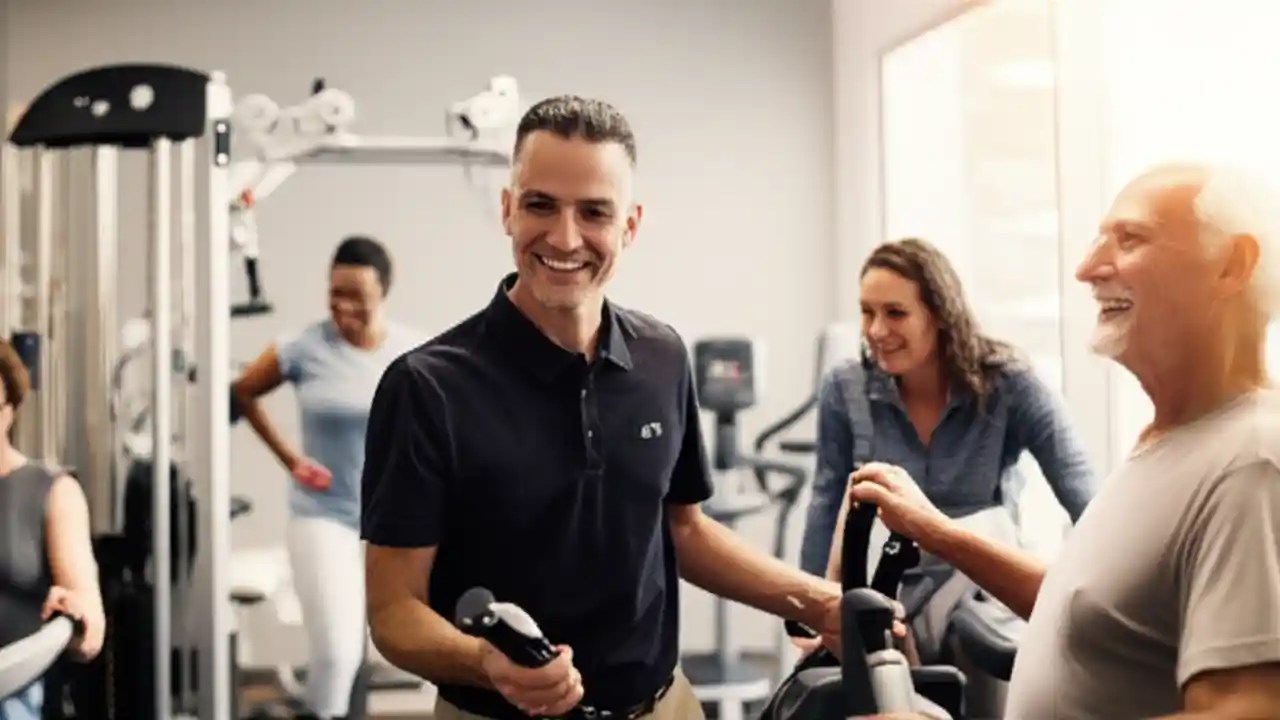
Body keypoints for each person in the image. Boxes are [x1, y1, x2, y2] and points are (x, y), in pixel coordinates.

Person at [360, 95, 859, 720]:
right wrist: (485, 662)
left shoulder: (662, 357)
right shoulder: (426, 388)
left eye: (594, 212)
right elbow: (393, 612)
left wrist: (820, 602)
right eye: (540, 205)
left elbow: (684, 531)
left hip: (663, 704)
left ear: (630, 225)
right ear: (508, 210)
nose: (565, 238)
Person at [847, 163, 1280, 718]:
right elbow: (1089, 604)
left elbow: (1248, 709)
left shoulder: (1252, 462)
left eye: (1130, 239)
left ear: (1231, 265)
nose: (1086, 268)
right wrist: (936, 531)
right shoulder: (1171, 442)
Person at [800, 237, 1097, 580]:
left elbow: (1083, 495)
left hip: (980, 591)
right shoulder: (844, 387)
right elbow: (826, 500)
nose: (877, 330)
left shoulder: (1012, 385)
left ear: (940, 313)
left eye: (895, 313)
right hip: (886, 588)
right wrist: (807, 610)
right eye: (867, 312)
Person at [233, 236, 424, 720]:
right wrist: (290, 459)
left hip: (393, 522)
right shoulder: (304, 348)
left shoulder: (413, 353)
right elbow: (243, 394)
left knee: (372, 647)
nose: (343, 306)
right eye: (335, 292)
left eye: (356, 295)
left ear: (383, 293)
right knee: (337, 652)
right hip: (324, 516)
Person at [0, 340, 105, 720]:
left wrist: (76, 617)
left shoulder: (52, 491)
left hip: (13, 691)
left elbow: (90, 628)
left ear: (10, 409)